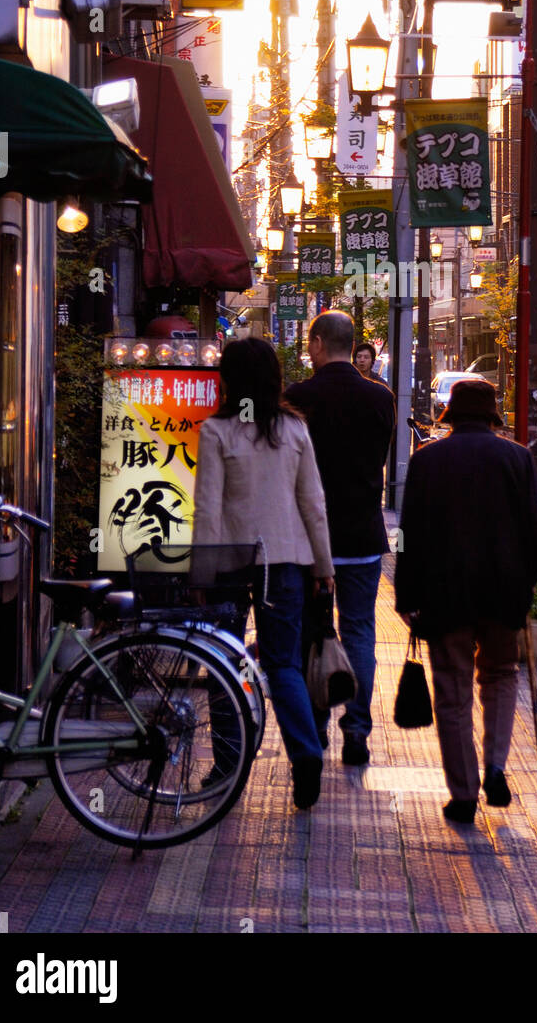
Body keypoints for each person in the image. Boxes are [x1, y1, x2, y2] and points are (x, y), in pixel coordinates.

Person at [394, 378, 537, 825]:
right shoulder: (517, 458)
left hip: (444, 594)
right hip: (503, 594)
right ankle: (496, 765)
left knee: (453, 689)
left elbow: (408, 538)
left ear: (450, 415)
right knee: (501, 676)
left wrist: (407, 596)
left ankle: (463, 793)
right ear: (491, 416)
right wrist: (526, 584)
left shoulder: (426, 460)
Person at [192, 337, 334, 811]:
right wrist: (324, 566)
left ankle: (227, 767)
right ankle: (306, 752)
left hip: (230, 563)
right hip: (288, 562)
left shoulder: (217, 432)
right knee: (283, 663)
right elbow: (313, 503)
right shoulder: (294, 429)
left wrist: (201, 571)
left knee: (220, 663)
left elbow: (208, 509)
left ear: (229, 381)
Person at [285, 310, 396, 766]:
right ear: (352, 347)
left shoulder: (297, 398)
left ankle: (316, 729)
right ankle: (357, 731)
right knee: (359, 633)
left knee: (312, 635)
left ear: (315, 344)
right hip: (364, 536)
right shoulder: (380, 397)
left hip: (309, 542)